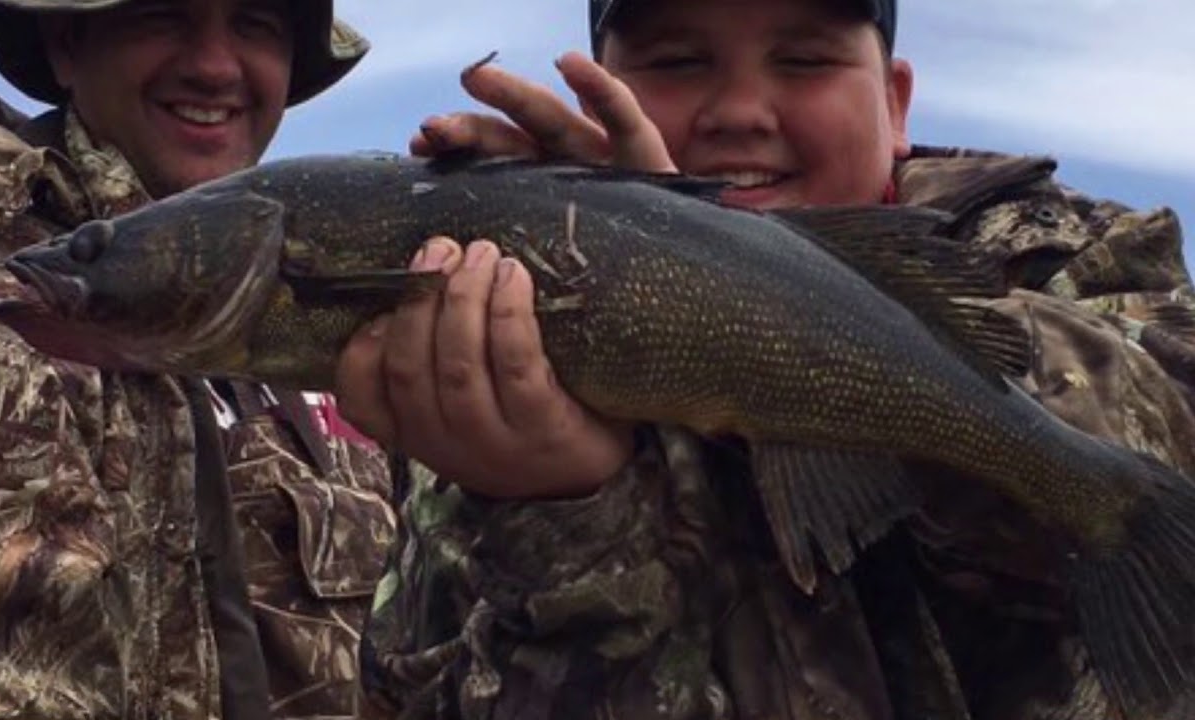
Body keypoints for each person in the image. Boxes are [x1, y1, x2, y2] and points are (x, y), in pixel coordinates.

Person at [340, 1, 1195, 718]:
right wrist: (562, 509)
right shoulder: (492, 376)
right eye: (677, 60)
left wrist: (750, 305)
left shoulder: (1081, 256)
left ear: (896, 107)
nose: (740, 109)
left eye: (804, 59)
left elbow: (1162, 407)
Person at [0, 2, 397, 718]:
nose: (214, 67)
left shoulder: (341, 297)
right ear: (66, 44)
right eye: (161, 15)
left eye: (256, 23)